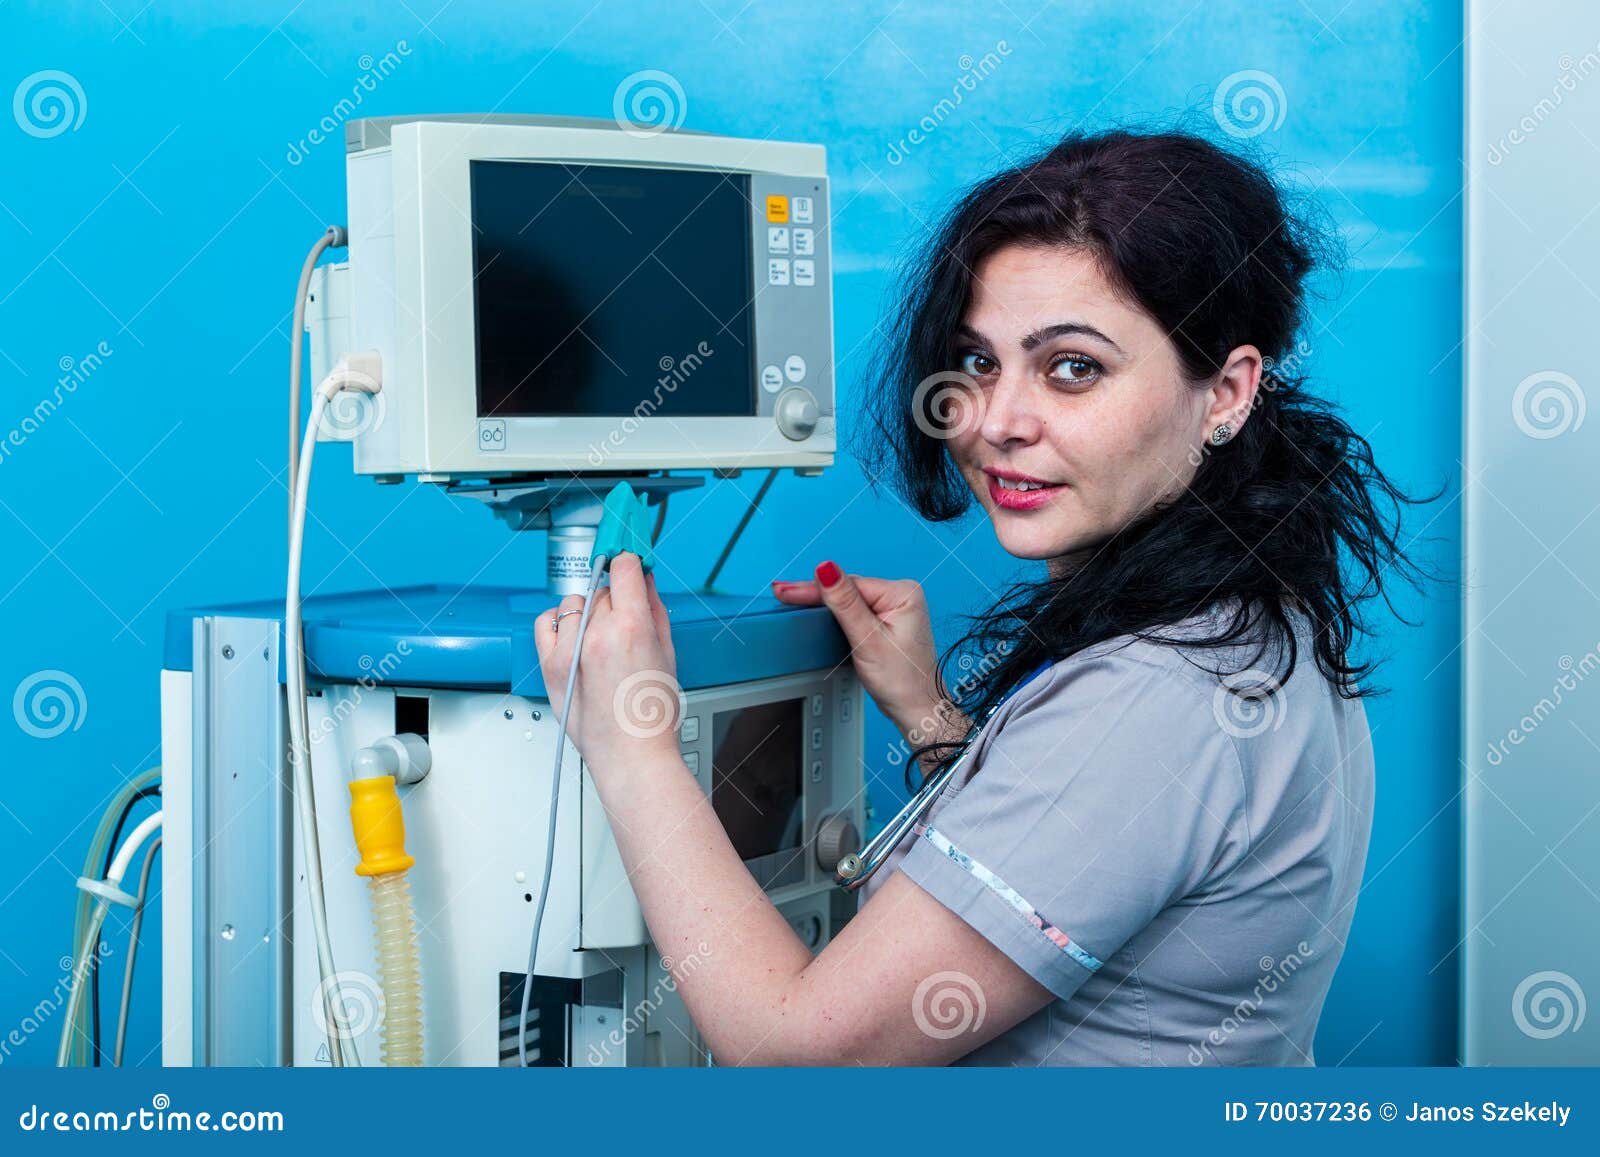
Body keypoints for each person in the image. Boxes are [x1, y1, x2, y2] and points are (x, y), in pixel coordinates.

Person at [535, 127, 1426, 1065]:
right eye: (978, 361)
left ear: (1226, 392)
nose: (996, 421)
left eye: (1073, 367)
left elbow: (797, 1056)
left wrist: (630, 741)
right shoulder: (1254, 621)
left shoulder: (1155, 701)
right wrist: (931, 721)